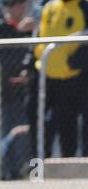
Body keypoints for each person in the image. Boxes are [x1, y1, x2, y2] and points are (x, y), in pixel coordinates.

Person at [35, 0, 88, 158]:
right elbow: (39, 35)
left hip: (74, 77)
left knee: (70, 124)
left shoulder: (84, 7)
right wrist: (31, 63)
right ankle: (38, 170)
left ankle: (74, 168)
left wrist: (74, 62)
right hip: (46, 75)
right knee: (40, 122)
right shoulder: (49, 7)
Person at [0, 0, 34, 136]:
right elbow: (0, 58)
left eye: (22, 3)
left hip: (26, 94)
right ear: (8, 7)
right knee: (6, 139)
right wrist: (18, 30)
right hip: (5, 95)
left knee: (25, 140)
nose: (21, 7)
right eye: (16, 4)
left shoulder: (32, 28)